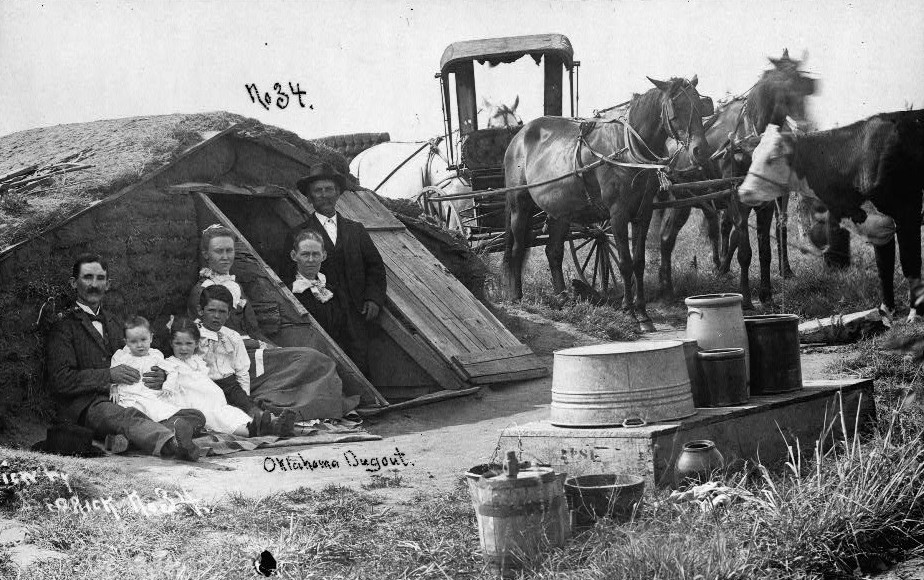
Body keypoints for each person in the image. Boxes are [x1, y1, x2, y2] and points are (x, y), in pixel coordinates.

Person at [46, 254, 205, 461]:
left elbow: (138, 355)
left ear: (108, 284)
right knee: (126, 416)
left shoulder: (115, 322)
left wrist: (160, 377)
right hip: (90, 404)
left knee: (195, 416)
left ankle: (126, 438)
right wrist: (108, 375)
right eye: (87, 277)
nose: (94, 285)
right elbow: (61, 380)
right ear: (74, 283)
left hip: (130, 397)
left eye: (100, 278)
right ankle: (171, 443)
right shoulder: (63, 326)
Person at [289, 163, 387, 377]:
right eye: (318, 191)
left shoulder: (355, 230)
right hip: (322, 311)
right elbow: (289, 272)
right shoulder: (299, 233)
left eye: (329, 189)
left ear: (338, 193)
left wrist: (373, 299)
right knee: (327, 360)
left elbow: (375, 267)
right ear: (309, 197)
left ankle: (366, 404)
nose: (324, 195)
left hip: (356, 309)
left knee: (360, 358)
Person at [194, 286, 295, 435]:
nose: (216, 316)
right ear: (200, 310)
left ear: (229, 314)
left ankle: (270, 422)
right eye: (211, 310)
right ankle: (257, 427)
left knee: (247, 405)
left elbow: (241, 369)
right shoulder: (192, 334)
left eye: (222, 312)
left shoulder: (232, 336)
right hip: (205, 385)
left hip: (229, 384)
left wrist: (244, 395)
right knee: (223, 411)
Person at [162, 318, 267, 436]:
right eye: (178, 343)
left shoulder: (197, 361)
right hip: (192, 402)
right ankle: (250, 431)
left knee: (229, 412)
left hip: (212, 401)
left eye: (189, 343)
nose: (183, 348)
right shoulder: (170, 364)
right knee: (214, 417)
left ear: (196, 343)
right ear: (171, 343)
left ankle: (258, 425)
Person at [109, 316, 185, 423]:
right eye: (133, 341)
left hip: (150, 396)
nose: (140, 345)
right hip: (129, 397)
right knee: (131, 415)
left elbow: (172, 371)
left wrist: (167, 386)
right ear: (126, 342)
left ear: (151, 338)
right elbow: (113, 374)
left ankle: (172, 424)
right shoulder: (121, 356)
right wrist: (114, 389)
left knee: (160, 410)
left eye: (143, 340)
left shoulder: (155, 356)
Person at [289, 229, 348, 348]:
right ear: (294, 256)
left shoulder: (333, 291)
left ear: (324, 256)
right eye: (305, 254)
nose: (311, 260)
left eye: (316, 254)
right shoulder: (290, 291)